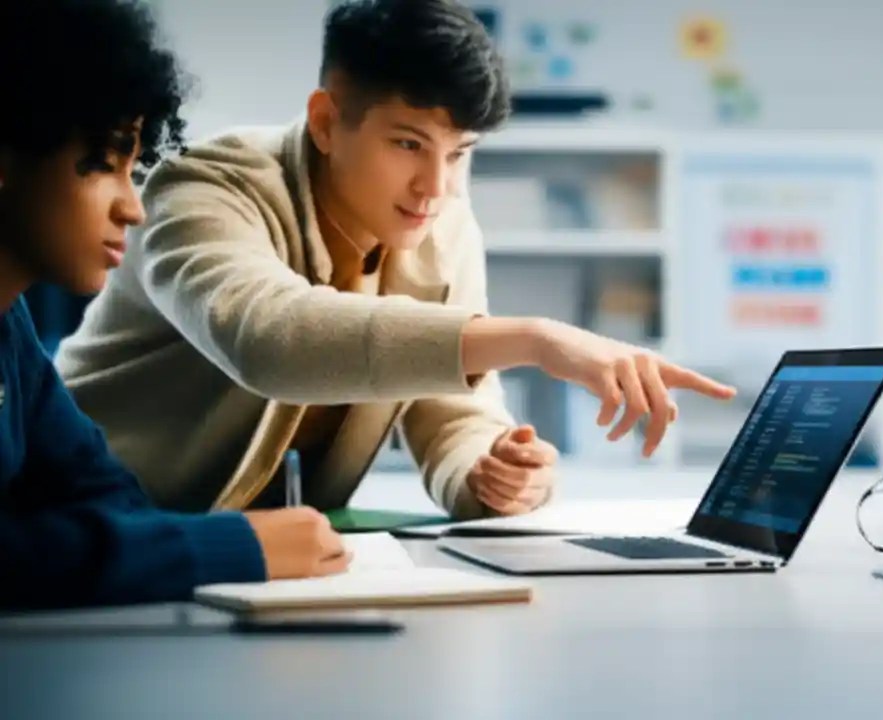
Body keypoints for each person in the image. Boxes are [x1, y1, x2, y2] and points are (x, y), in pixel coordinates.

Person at [55, 0, 735, 520]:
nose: (435, 188)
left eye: (459, 153)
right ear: (325, 122)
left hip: (268, 557)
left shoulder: (442, 227)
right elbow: (269, 338)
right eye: (408, 145)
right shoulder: (202, 187)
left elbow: (456, 411)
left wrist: (488, 471)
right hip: (92, 527)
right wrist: (537, 339)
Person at [0, 0, 351, 609]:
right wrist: (234, 547)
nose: (132, 208)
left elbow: (100, 490)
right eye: (105, 166)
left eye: (134, 169)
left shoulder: (10, 324)